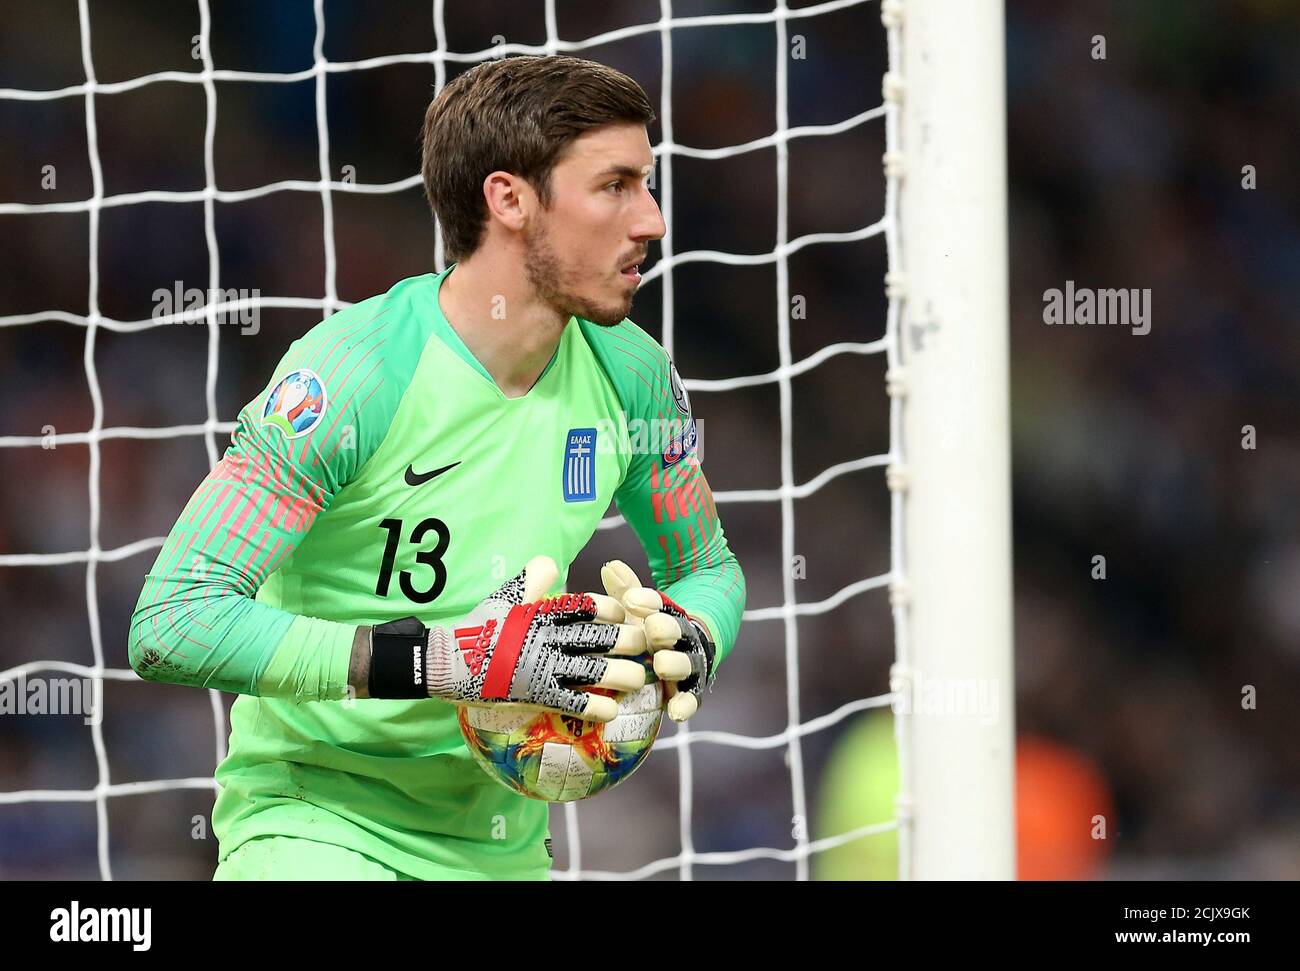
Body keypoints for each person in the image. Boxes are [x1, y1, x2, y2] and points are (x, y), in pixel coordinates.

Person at [128, 54, 746, 881]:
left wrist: (692, 636)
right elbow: (173, 623)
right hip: (318, 822)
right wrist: (443, 661)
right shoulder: (358, 374)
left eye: (648, 184)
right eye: (617, 186)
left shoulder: (631, 375)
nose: (652, 221)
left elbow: (705, 567)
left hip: (502, 841)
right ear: (510, 200)